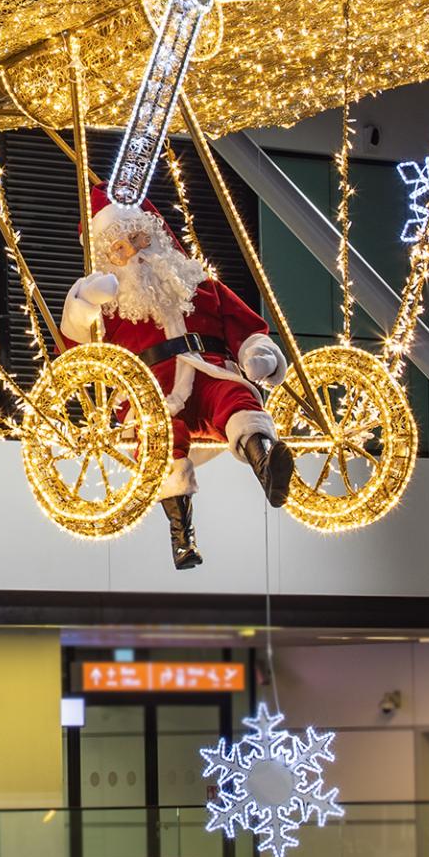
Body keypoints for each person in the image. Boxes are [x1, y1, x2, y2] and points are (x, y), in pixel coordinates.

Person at [61, 186, 295, 571]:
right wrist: (84, 300)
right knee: (160, 437)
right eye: (120, 248)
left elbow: (245, 327)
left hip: (209, 372)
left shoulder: (200, 283)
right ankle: (182, 538)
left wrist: (257, 355)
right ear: (108, 259)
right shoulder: (110, 305)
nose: (134, 251)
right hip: (150, 393)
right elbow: (75, 345)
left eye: (139, 238)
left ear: (157, 234)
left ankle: (267, 467)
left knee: (235, 398)